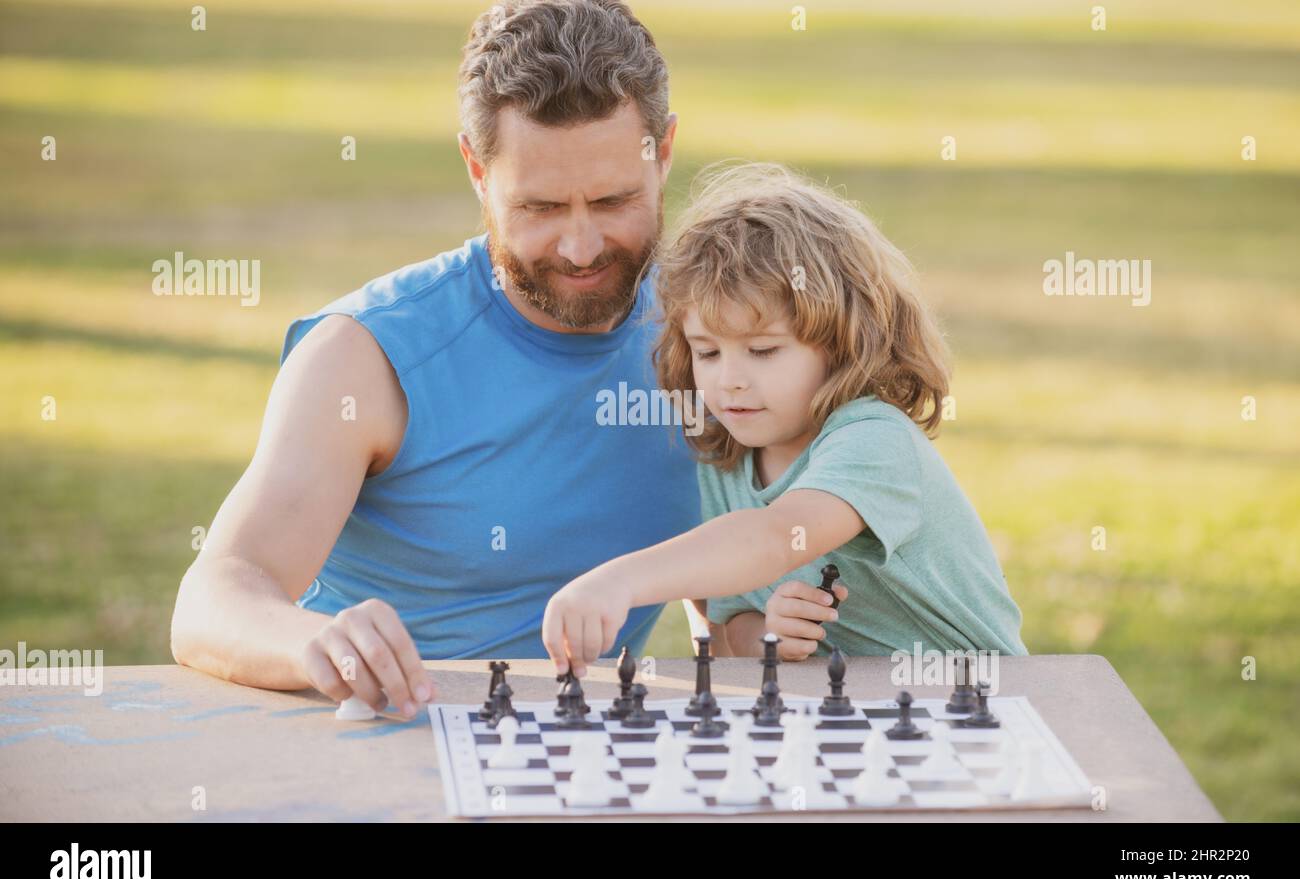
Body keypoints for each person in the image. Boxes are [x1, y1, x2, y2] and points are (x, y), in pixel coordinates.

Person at [170, 0, 703, 718]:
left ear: (662, 153)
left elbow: (736, 542)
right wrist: (315, 642)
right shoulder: (363, 357)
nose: (581, 248)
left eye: (613, 201)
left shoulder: (713, 334)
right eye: (541, 209)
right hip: (381, 745)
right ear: (477, 171)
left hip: (587, 756)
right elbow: (217, 594)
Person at [543, 161, 1029, 676]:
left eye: (764, 350)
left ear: (841, 344)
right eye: (707, 353)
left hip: (982, 701)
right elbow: (731, 628)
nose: (729, 380)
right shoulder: (723, 460)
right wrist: (770, 634)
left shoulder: (874, 441)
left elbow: (775, 537)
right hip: (848, 718)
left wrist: (618, 581)